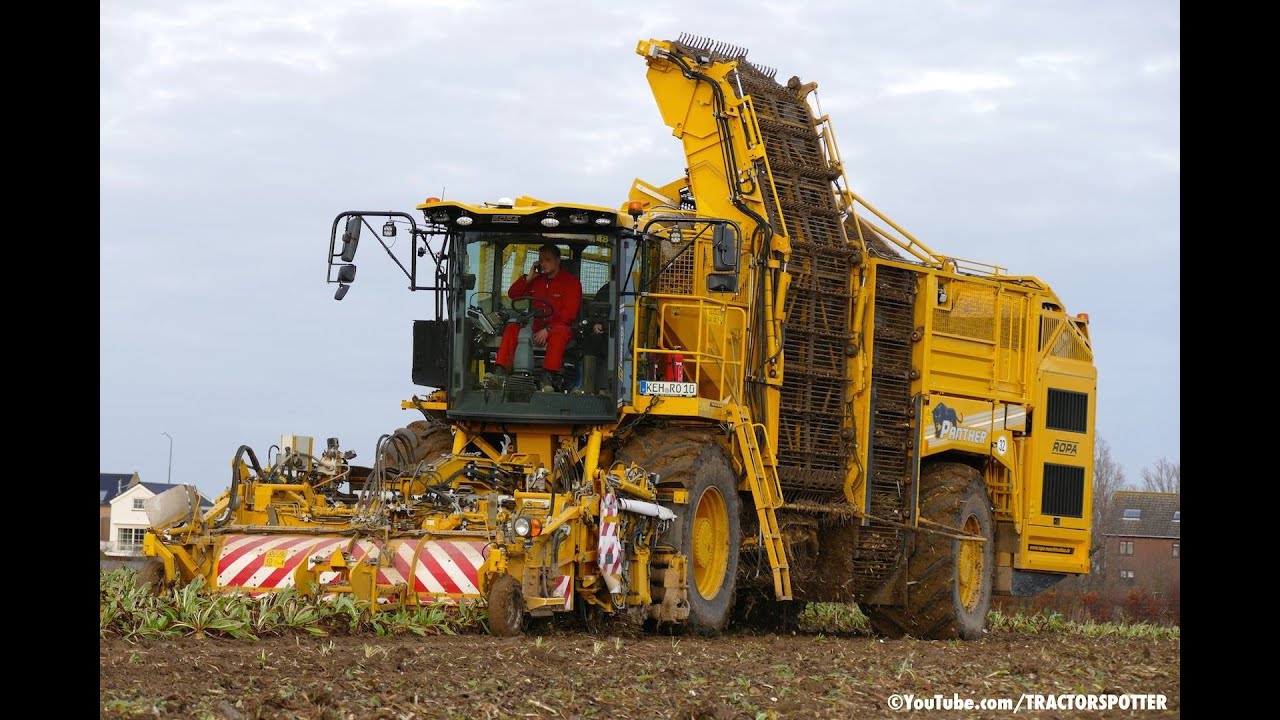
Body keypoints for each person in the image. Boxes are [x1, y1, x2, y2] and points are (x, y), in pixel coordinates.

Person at [490, 244, 582, 390]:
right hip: (535, 325)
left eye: (547, 260)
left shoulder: (571, 282)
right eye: (541, 260)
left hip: (559, 326)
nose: (543, 264)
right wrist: (529, 277)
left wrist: (548, 329)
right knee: (512, 328)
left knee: (560, 333)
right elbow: (513, 294)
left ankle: (548, 377)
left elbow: (569, 312)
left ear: (558, 261)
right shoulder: (536, 280)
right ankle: (500, 372)